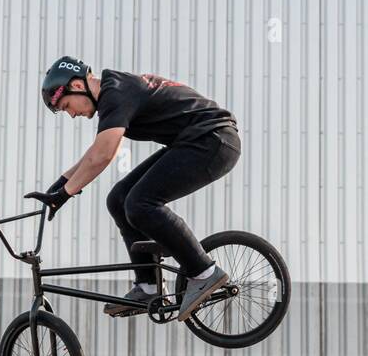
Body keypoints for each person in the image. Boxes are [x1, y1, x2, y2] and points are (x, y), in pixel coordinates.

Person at [26, 56, 241, 321]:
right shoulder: (114, 94)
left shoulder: (115, 93)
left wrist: (64, 194)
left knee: (141, 203)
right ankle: (148, 286)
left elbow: (102, 155)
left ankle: (204, 273)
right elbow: (96, 152)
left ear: (77, 86)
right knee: (118, 199)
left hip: (213, 140)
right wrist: (59, 186)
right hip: (192, 141)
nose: (72, 114)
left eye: (67, 105)